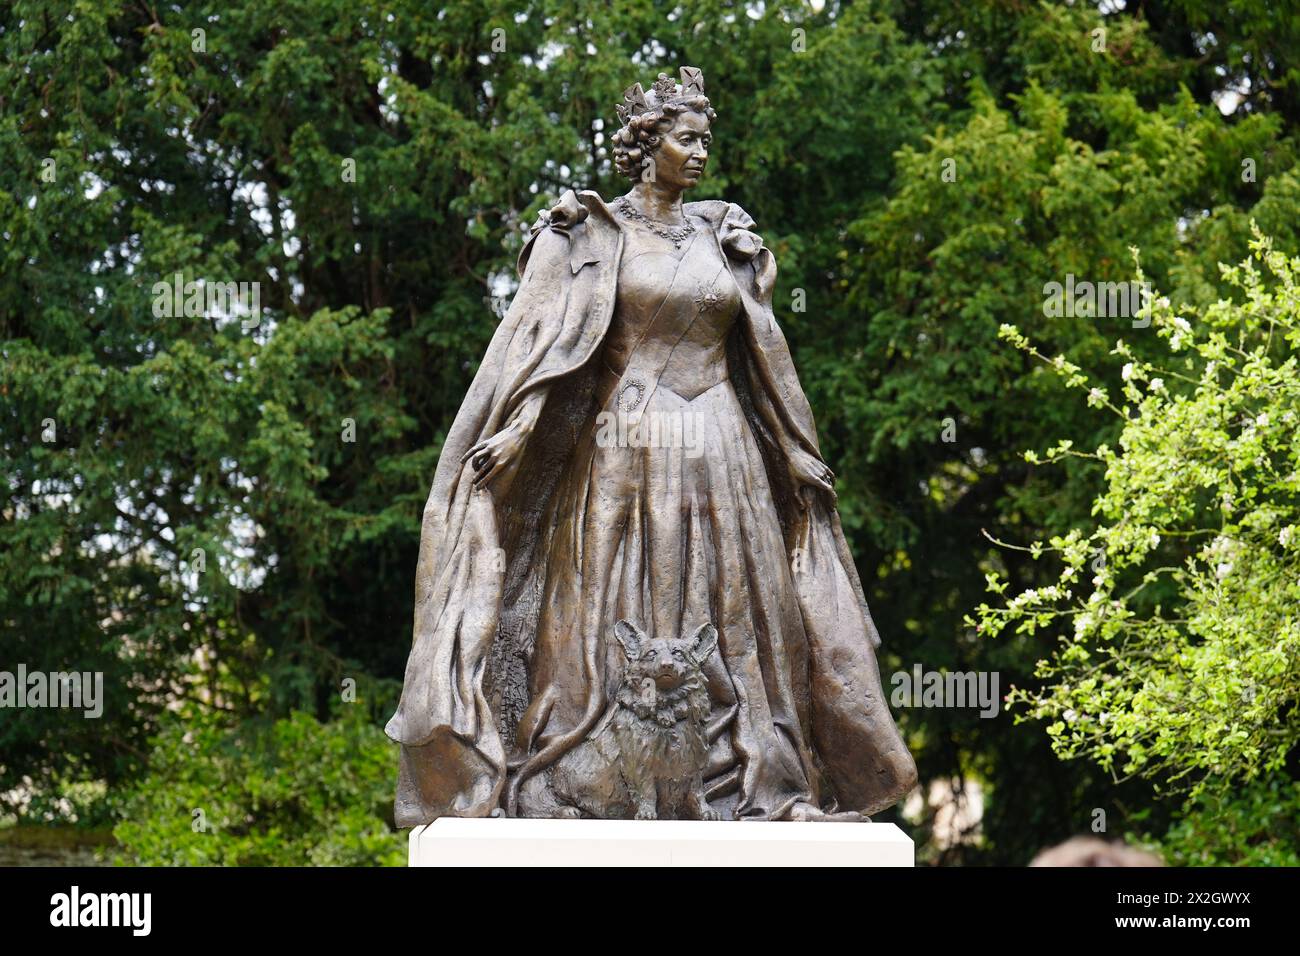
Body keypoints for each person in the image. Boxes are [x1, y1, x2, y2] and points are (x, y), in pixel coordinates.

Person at [386, 67, 917, 824]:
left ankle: (753, 777)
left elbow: (760, 352)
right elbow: (536, 345)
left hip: (724, 444)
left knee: (746, 608)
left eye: (705, 139)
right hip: (620, 447)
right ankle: (593, 775)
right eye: (685, 138)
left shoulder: (721, 233)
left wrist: (792, 447)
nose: (700, 153)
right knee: (604, 603)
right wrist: (515, 430)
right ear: (647, 145)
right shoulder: (590, 232)